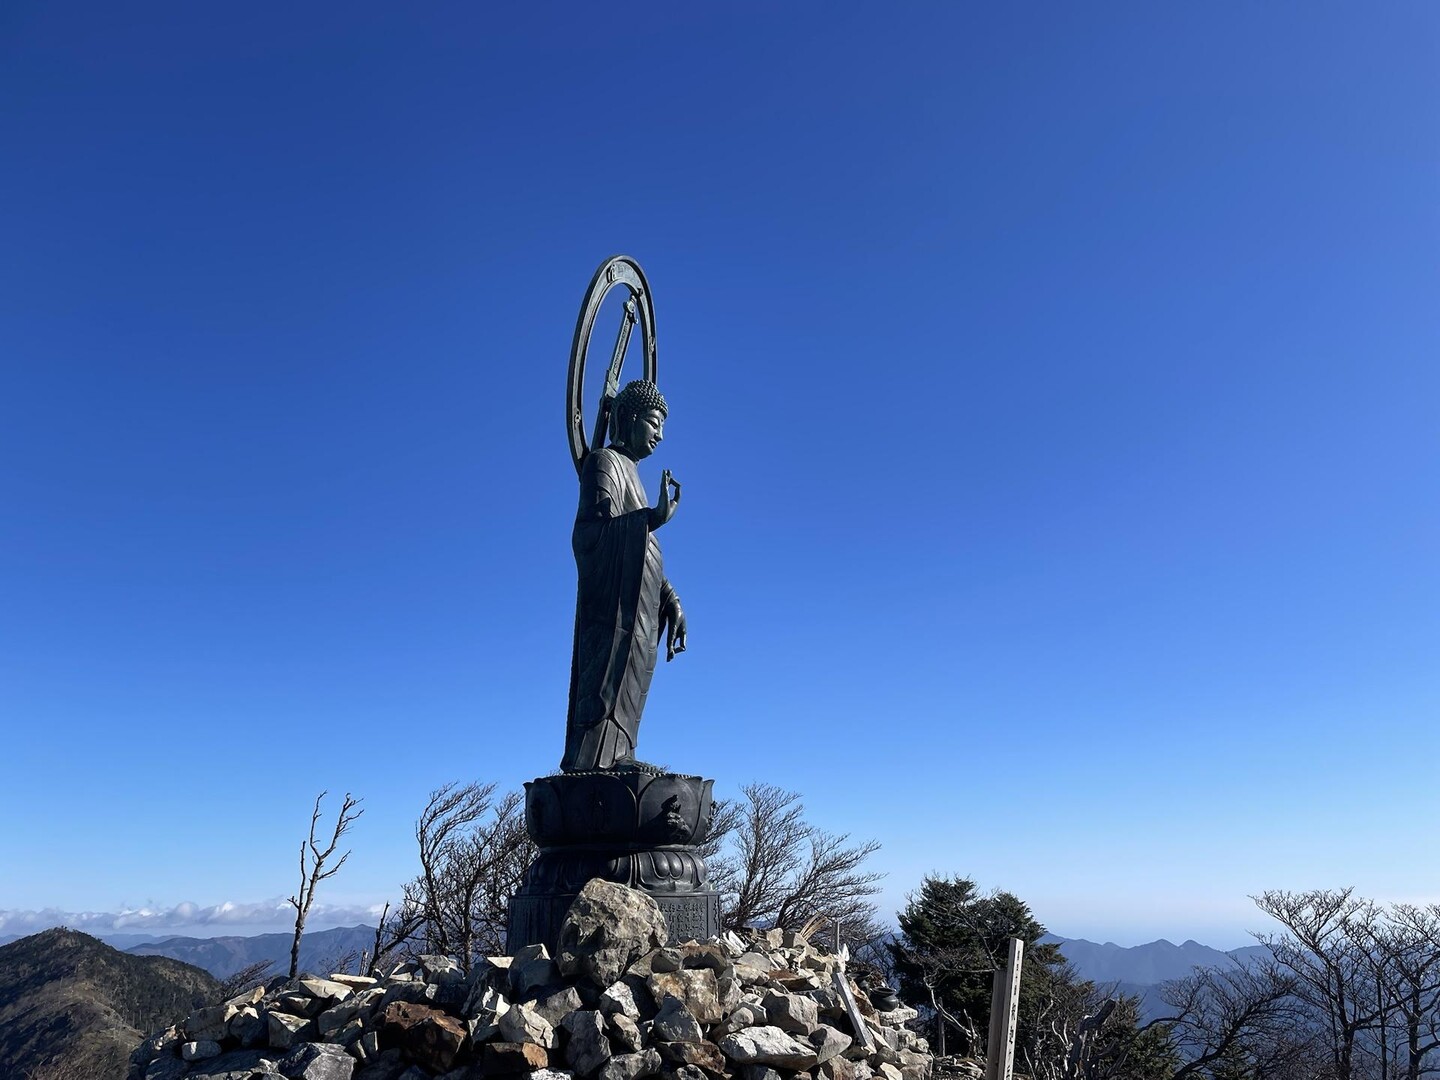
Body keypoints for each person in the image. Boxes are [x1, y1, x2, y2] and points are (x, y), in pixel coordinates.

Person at [561, 379, 687, 772]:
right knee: (605, 682)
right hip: (610, 610)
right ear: (629, 417)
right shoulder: (604, 463)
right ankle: (594, 761)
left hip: (641, 611)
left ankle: (621, 753)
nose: (659, 436)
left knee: (635, 681)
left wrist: (671, 600)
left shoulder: (634, 475)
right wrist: (651, 518)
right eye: (653, 424)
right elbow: (590, 535)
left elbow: (645, 549)